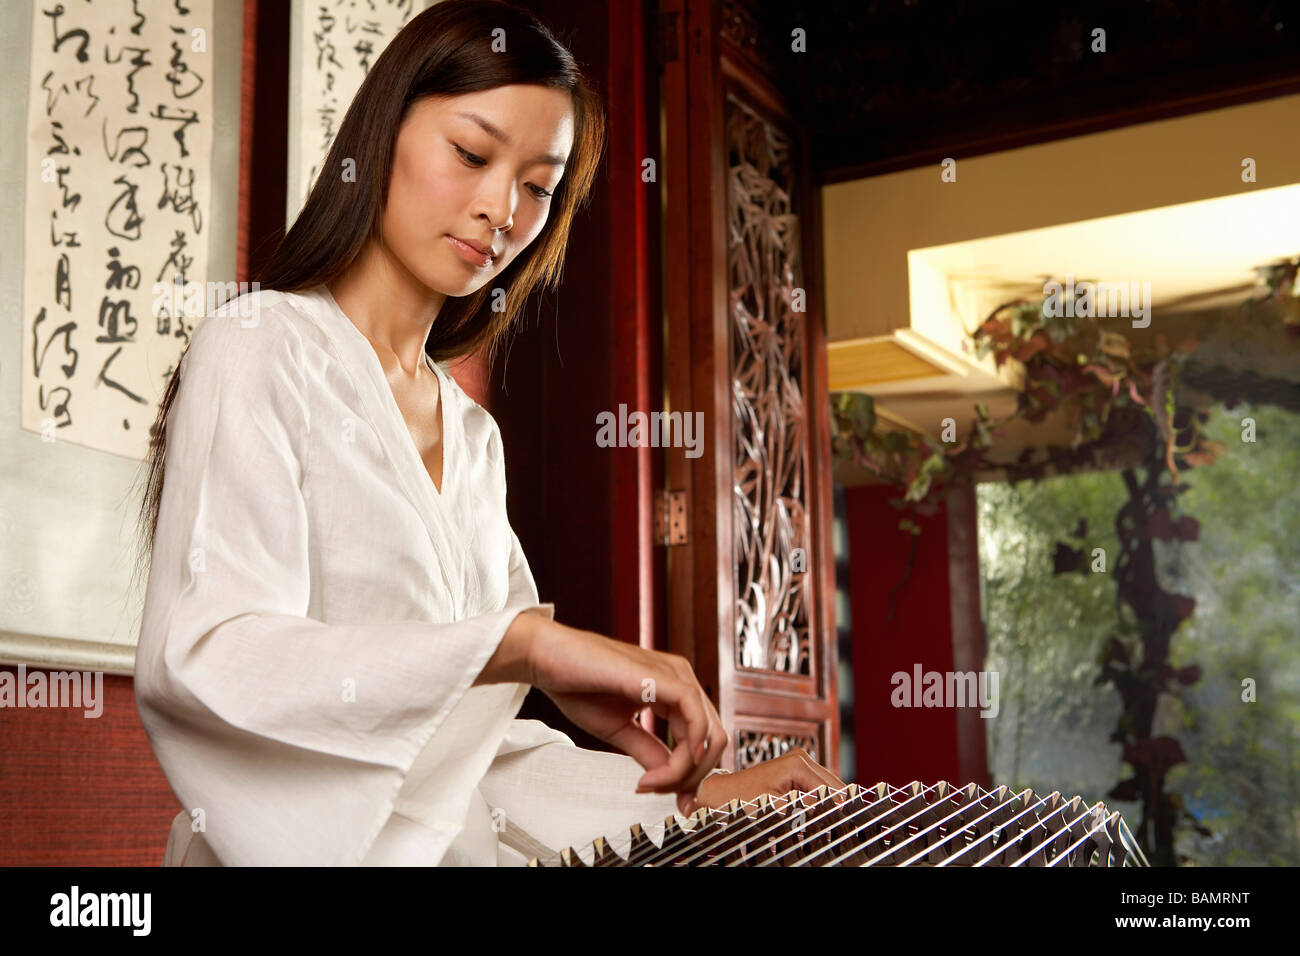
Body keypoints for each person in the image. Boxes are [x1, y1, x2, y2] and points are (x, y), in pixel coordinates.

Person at [133, 0, 844, 867]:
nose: (501, 208)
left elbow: (473, 768)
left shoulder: (473, 438)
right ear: (385, 131)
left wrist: (698, 806)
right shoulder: (259, 346)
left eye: (539, 186)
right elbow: (208, 660)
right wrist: (522, 647)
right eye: (471, 154)